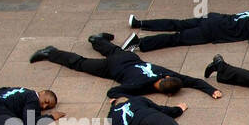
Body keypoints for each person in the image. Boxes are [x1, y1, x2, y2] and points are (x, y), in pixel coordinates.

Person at [29, 33, 222, 98]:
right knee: (80, 63)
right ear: (167, 94)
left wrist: (211, 90)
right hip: (112, 69)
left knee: (111, 49)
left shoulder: (162, 72)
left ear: (165, 78)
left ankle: (96, 39)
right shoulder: (138, 87)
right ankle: (51, 52)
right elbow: (114, 92)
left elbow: (192, 81)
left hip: (126, 58)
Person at [120, 6, 249, 53]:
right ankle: (139, 43)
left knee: (177, 24)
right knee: (177, 38)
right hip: (213, 32)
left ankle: (140, 23)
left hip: (214, 18)